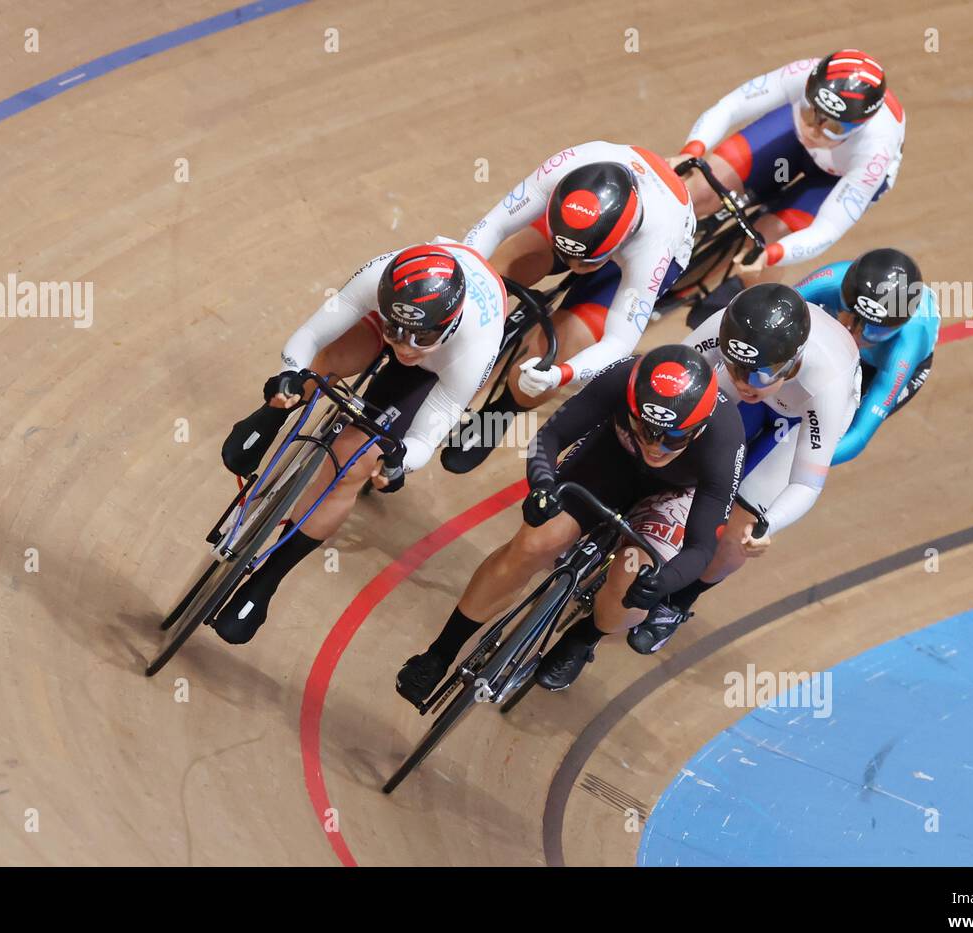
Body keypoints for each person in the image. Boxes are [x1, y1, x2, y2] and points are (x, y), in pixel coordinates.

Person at [396, 344, 746, 704]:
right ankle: (440, 653)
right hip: (610, 464)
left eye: (673, 438)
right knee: (532, 545)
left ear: (699, 429)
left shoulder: (726, 435)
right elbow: (550, 437)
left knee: (629, 593)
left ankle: (584, 636)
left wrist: (662, 582)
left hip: (672, 493)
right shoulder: (622, 375)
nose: (655, 446)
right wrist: (543, 488)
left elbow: (702, 547)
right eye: (643, 429)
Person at [212, 243, 507, 644]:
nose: (404, 346)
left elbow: (424, 436)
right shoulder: (380, 277)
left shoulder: (475, 347)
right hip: (407, 314)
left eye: (420, 338)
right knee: (324, 365)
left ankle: (267, 580)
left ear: (450, 326)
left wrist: (398, 461)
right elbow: (312, 336)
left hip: (439, 369)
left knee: (354, 463)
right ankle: (271, 414)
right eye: (394, 331)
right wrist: (289, 376)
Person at [627, 283, 860, 653]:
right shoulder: (728, 330)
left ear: (792, 362)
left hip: (801, 417)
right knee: (674, 434)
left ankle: (678, 601)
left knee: (741, 530)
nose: (742, 381)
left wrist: (770, 524)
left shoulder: (827, 383)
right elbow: (672, 373)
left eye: (757, 374)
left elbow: (806, 483)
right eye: (734, 366)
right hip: (767, 394)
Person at [439, 141, 697, 473]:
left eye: (584, 261)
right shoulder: (568, 167)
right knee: (495, 274)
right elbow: (494, 226)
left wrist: (562, 373)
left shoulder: (654, 247)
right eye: (568, 254)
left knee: (553, 351)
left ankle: (503, 409)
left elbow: (618, 342)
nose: (572, 264)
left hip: (647, 251)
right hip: (581, 225)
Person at [669, 50, 906, 319]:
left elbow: (827, 229)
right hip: (790, 139)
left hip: (836, 177)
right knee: (695, 188)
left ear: (859, 127)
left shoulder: (876, 149)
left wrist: (772, 254)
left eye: (833, 128)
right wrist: (692, 151)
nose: (815, 129)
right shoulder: (803, 73)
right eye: (811, 111)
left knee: (765, 245)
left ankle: (751, 317)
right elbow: (731, 106)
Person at [795, 248, 939, 463]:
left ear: (897, 327)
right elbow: (770, 308)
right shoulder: (833, 279)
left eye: (874, 331)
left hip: (878, 367)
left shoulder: (907, 345)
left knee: (830, 425)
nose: (855, 334)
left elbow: (859, 435)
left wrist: (801, 461)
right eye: (849, 317)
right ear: (841, 298)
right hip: (842, 340)